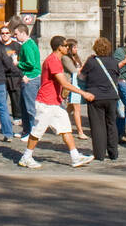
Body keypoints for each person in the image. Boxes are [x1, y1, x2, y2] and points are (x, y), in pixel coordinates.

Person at [19, 37, 94, 170]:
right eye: (65, 46)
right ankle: (26, 157)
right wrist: (83, 93)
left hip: (54, 102)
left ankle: (75, 157)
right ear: (59, 47)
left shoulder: (56, 60)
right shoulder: (53, 60)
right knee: (38, 131)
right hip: (46, 103)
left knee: (65, 129)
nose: (67, 48)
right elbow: (64, 82)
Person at [78, 38, 121, 162]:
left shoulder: (91, 62)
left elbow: (81, 76)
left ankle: (100, 153)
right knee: (111, 124)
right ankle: (113, 152)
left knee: (98, 126)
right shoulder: (114, 62)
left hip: (95, 96)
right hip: (111, 96)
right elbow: (117, 75)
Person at [14, 22, 41, 142]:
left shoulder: (27, 45)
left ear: (23, 33)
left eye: (16, 34)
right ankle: (26, 130)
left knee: (30, 107)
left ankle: (32, 133)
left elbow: (30, 63)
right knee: (24, 105)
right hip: (29, 77)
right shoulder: (29, 43)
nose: (15, 36)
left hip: (31, 78)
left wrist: (17, 63)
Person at [63, 39, 86, 139]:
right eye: (74, 47)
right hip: (71, 83)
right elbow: (73, 70)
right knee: (77, 108)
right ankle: (80, 131)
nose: (76, 49)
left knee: (71, 108)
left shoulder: (76, 57)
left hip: (78, 83)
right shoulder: (65, 58)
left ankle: (59, 122)